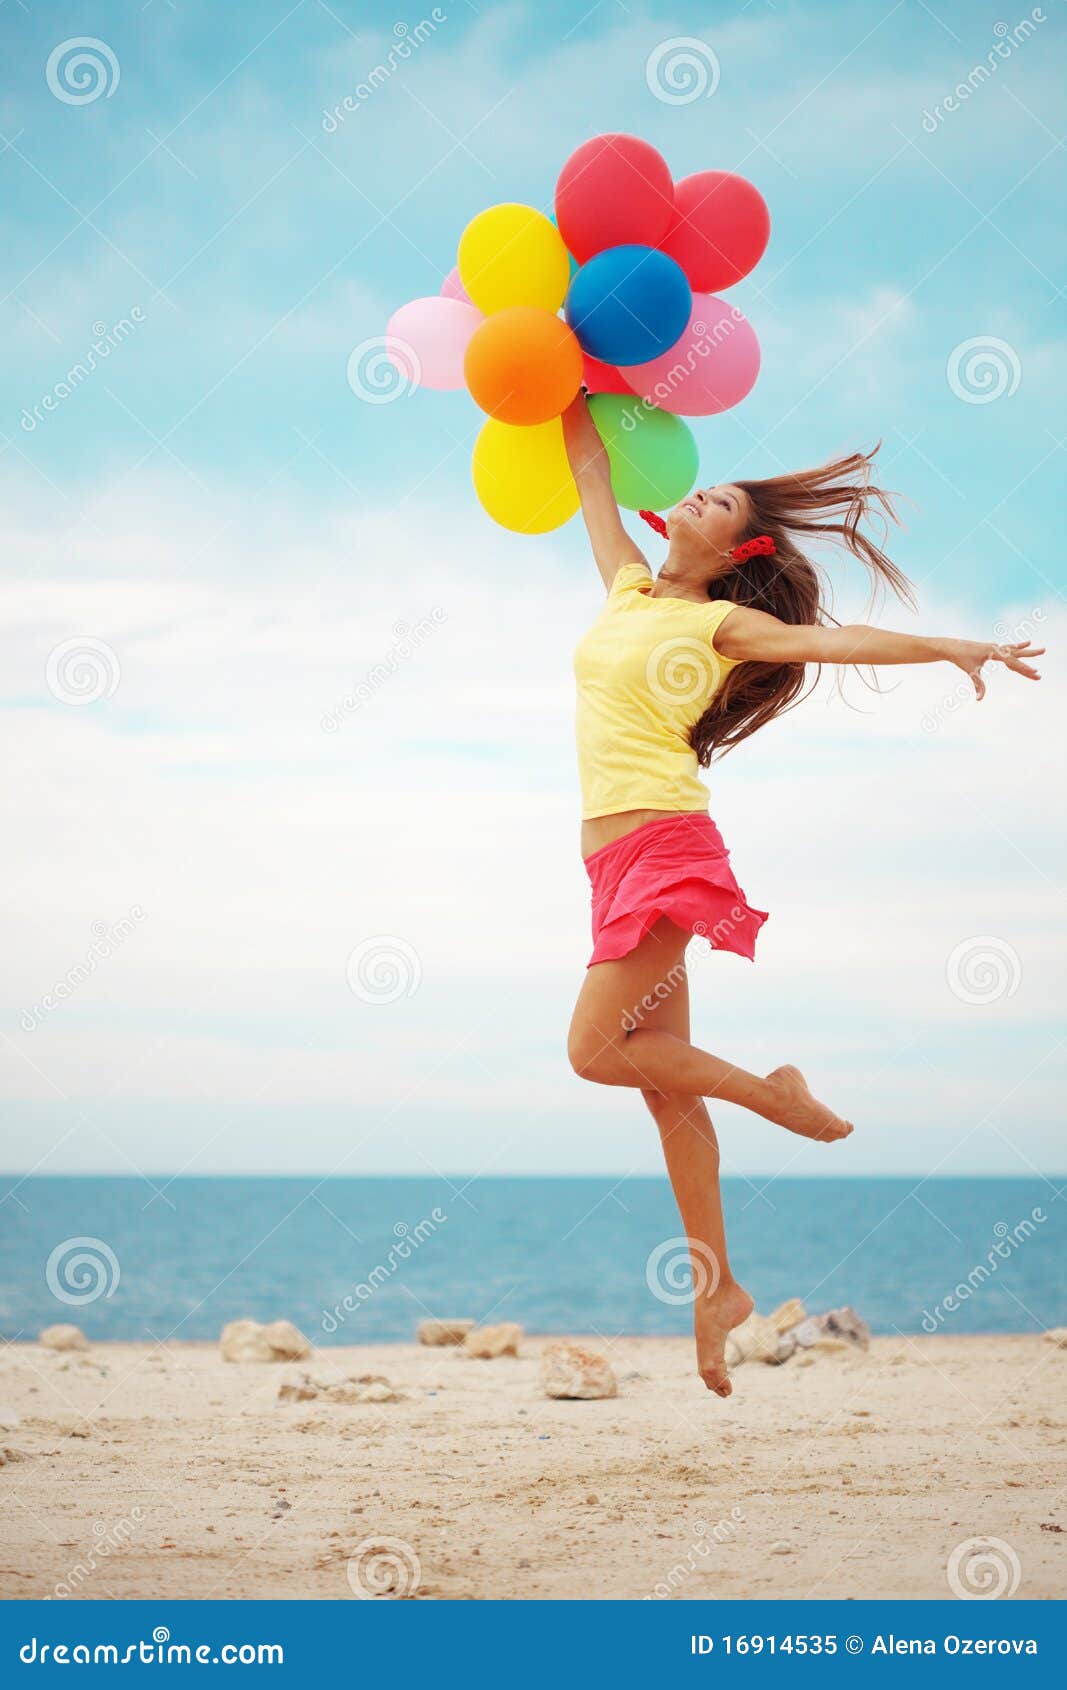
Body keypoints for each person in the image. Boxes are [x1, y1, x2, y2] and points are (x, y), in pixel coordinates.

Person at [561, 393, 1043, 1398]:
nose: (699, 495)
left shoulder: (723, 623)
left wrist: (952, 646)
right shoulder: (625, 587)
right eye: (703, 490)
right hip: (608, 861)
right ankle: (716, 1291)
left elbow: (842, 642)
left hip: (662, 846)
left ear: (738, 549)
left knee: (594, 1051)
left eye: (722, 503)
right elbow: (588, 470)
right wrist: (565, 374)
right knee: (662, 1085)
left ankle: (775, 1097)